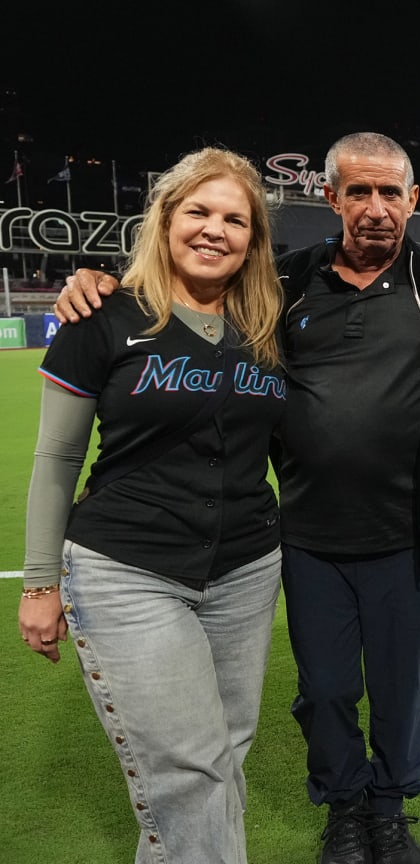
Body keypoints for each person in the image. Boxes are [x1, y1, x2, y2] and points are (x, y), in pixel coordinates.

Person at [53, 132, 420, 864]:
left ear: (413, 201)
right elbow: (197, 326)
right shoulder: (283, 287)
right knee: (322, 693)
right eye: (359, 191)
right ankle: (345, 806)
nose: (376, 208)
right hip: (306, 535)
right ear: (332, 198)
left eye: (391, 193)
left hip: (408, 530)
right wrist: (95, 282)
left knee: (400, 693)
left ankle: (390, 808)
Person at [20, 147, 287, 862]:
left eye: (235, 219)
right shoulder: (102, 314)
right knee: (193, 773)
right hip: (127, 568)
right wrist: (41, 584)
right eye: (198, 211)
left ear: (253, 239)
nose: (214, 230)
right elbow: (56, 460)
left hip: (246, 571)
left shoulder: (266, 327)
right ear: (165, 219)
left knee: (219, 761)